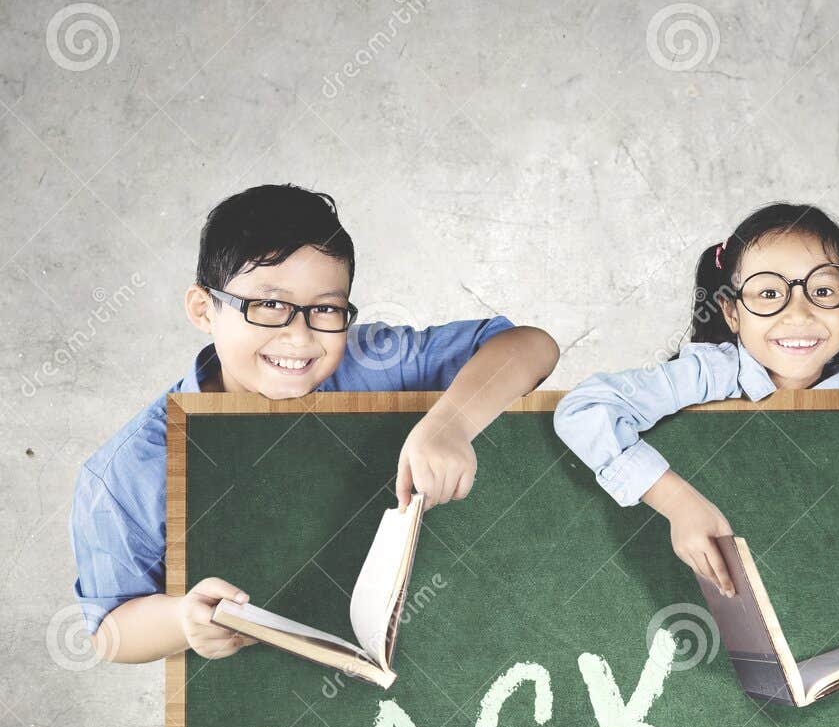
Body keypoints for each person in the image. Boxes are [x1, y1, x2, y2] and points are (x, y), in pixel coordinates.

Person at [70, 183, 559, 662]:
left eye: (326, 309)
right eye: (268, 306)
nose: (299, 337)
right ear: (205, 309)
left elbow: (531, 346)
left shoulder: (372, 363)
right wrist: (182, 619)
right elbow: (110, 629)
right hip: (256, 702)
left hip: (422, 655)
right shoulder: (130, 468)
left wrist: (450, 423)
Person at [554, 202, 839, 664]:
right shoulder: (707, 376)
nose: (798, 313)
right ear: (731, 312)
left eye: (823, 290)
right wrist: (677, 502)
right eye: (768, 294)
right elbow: (586, 410)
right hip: (681, 647)